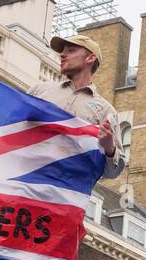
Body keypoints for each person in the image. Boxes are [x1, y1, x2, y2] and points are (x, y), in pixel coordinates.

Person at [28, 33, 126, 181]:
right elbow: (8, 128)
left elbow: (112, 173)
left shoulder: (106, 111)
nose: (62, 55)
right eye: (62, 51)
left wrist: (109, 148)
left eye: (71, 50)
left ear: (90, 58)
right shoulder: (39, 90)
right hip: (25, 184)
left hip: (63, 192)